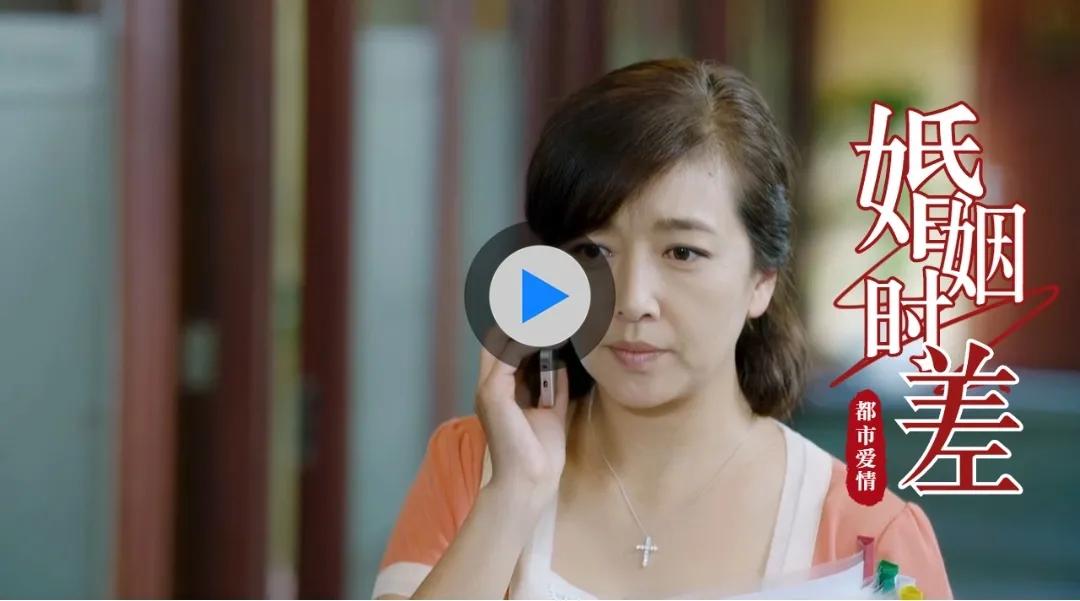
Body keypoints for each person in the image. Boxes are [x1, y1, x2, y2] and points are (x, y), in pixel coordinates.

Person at [372, 58, 952, 600]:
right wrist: (514, 494)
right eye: (592, 251)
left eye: (682, 252)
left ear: (762, 279)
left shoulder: (868, 540)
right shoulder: (475, 466)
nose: (632, 301)